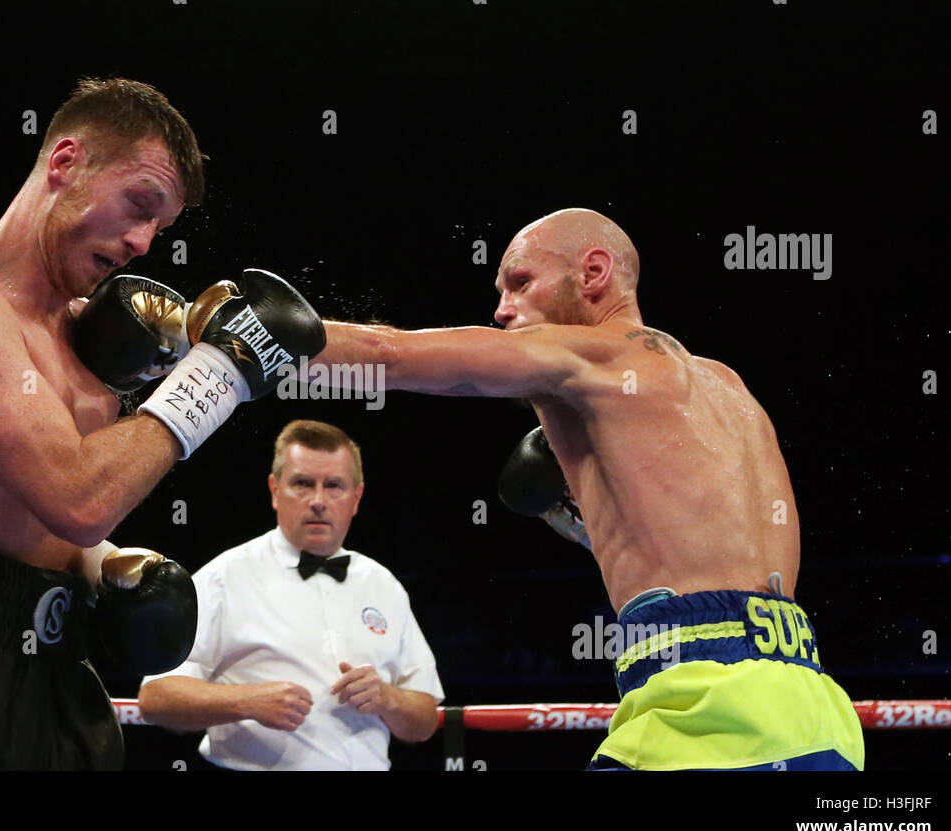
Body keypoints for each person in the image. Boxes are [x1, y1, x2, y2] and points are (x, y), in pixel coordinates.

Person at [0, 78, 324, 770]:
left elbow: (58, 523)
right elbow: (79, 498)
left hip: (51, 658)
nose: (143, 242)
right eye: (139, 205)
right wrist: (217, 374)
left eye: (160, 228)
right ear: (65, 162)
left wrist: (104, 563)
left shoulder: (90, 338)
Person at [313, 208, 863, 771]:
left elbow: (390, 354)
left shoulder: (594, 355)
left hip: (706, 715)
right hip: (814, 712)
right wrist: (586, 528)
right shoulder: (729, 387)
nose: (502, 309)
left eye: (521, 283)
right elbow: (707, 552)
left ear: (594, 272)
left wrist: (271, 335)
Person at [138, 420, 443, 770]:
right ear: (274, 489)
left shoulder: (383, 584)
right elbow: (156, 697)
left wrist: (388, 699)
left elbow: (424, 722)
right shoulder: (225, 576)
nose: (318, 501)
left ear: (356, 498)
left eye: (334, 486)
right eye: (302, 484)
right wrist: (246, 701)